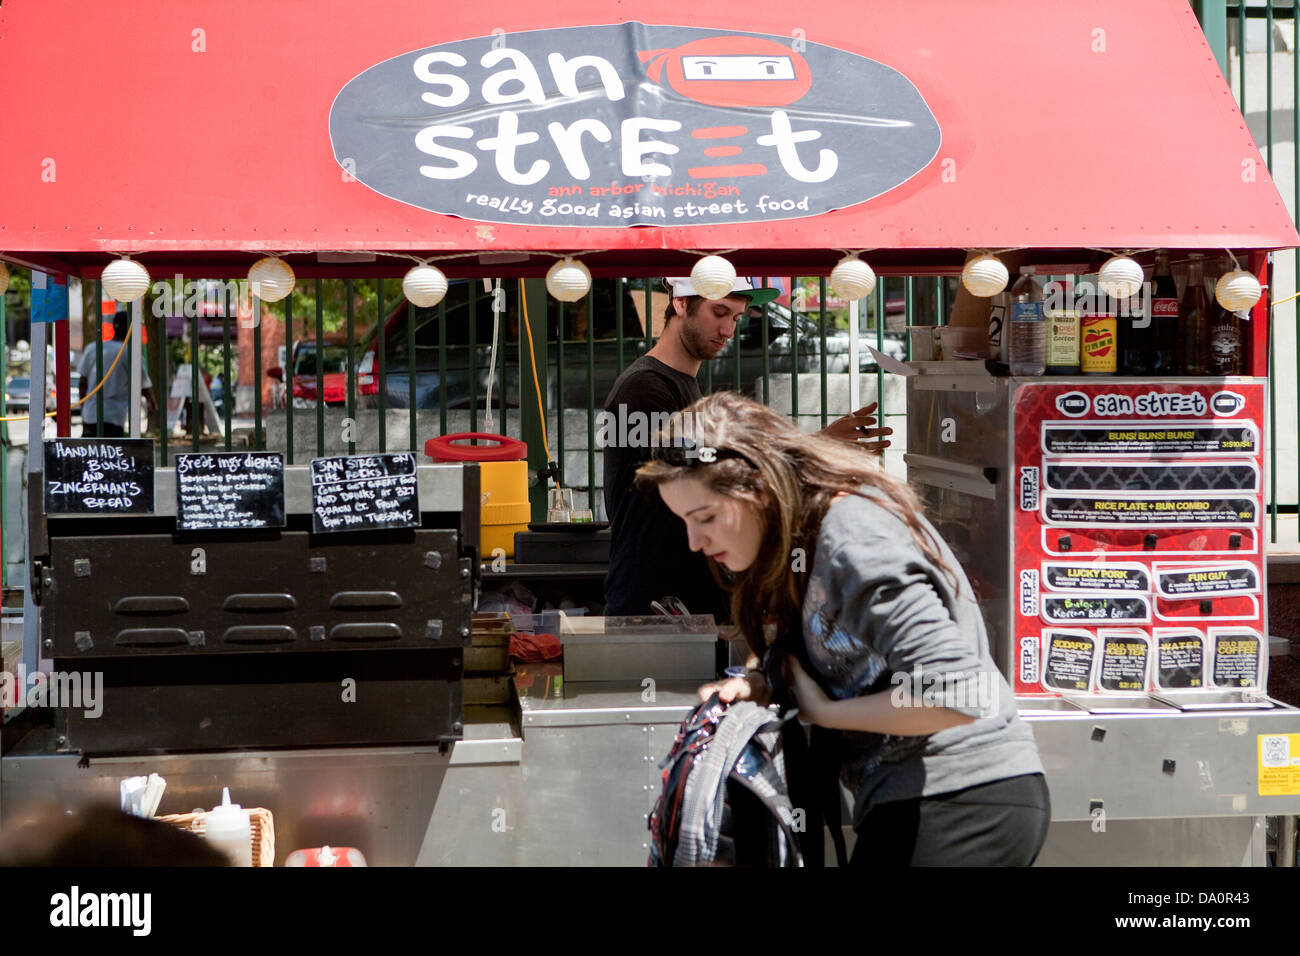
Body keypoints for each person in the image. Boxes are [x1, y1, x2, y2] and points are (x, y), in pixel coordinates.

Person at [637, 392, 1049, 866]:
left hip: (964, 799)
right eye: (684, 523)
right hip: (915, 798)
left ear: (759, 487)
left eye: (704, 517)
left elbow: (958, 694)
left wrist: (824, 713)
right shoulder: (807, 537)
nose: (694, 542)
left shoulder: (853, 535)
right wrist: (762, 682)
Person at [601, 277, 890, 618]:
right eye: (719, 312)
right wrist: (816, 446)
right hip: (653, 602)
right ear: (680, 303)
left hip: (686, 598)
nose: (727, 329)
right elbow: (714, 476)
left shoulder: (681, 384)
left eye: (736, 318)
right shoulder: (645, 390)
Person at [77, 310, 157, 437]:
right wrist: (151, 402)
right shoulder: (130, 353)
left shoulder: (93, 348)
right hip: (114, 417)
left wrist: (84, 408)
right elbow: (144, 386)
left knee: (90, 454)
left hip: (91, 415)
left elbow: (82, 382)